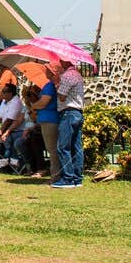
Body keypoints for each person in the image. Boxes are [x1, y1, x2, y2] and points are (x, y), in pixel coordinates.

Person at [52, 61, 86, 189]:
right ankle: (77, 178)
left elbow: (62, 96)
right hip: (78, 112)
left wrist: (56, 84)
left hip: (68, 113)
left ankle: (67, 179)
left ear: (66, 62)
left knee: (63, 147)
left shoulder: (67, 76)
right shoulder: (77, 75)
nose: (59, 63)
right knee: (76, 147)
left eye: (61, 61)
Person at [31, 70, 60, 182]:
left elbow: (44, 102)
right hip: (51, 118)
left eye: (47, 70)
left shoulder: (50, 86)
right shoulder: (53, 85)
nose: (45, 71)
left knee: (52, 149)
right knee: (53, 149)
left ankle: (55, 176)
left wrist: (33, 106)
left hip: (49, 119)